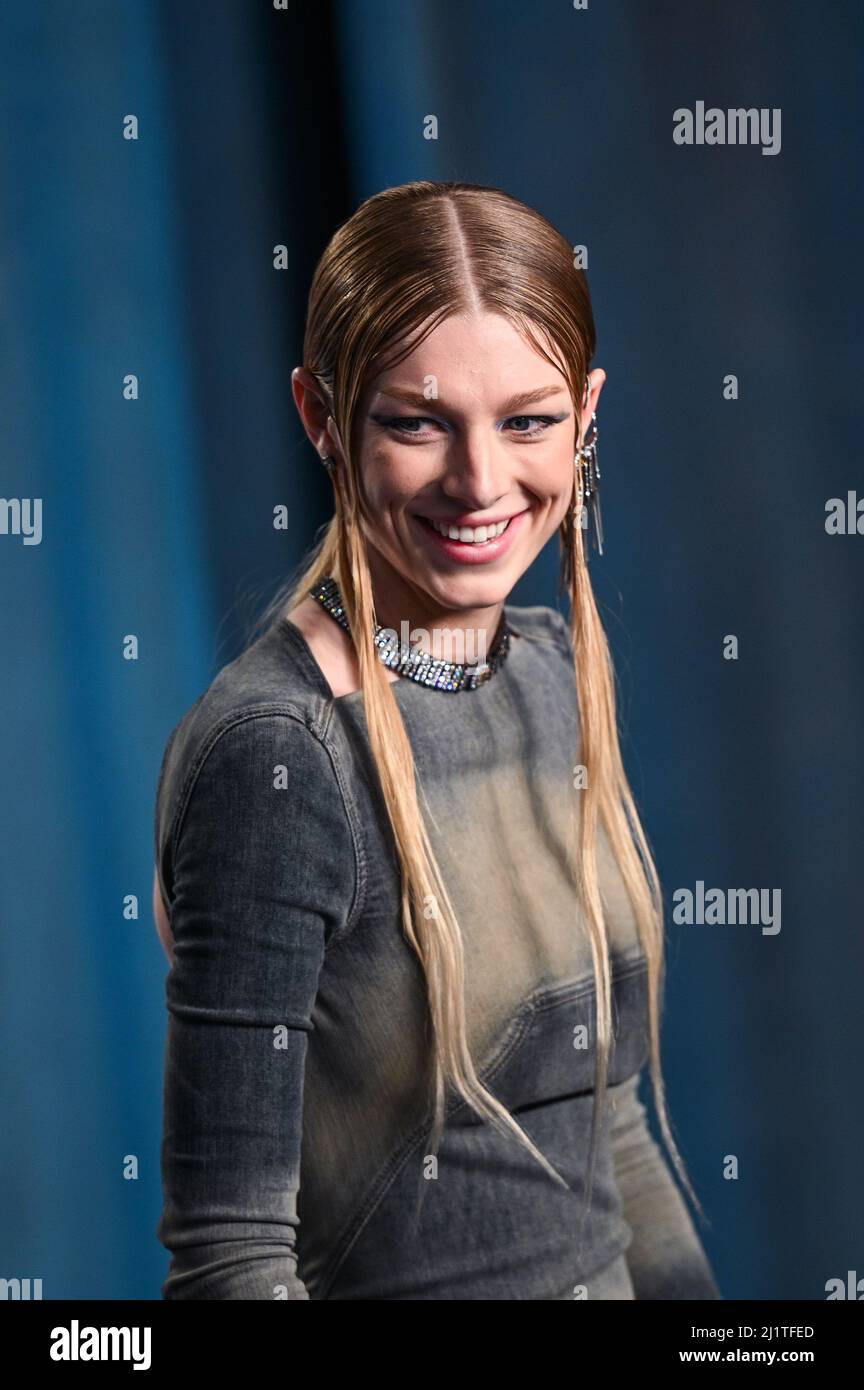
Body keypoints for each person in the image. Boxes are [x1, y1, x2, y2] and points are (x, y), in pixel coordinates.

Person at [152, 180, 721, 1300]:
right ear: (322, 415)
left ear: (587, 413)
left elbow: (611, 1133)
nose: (480, 482)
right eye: (417, 422)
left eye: (528, 420)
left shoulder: (554, 673)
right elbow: (230, 1256)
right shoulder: (280, 754)